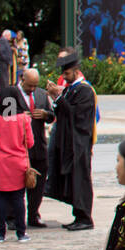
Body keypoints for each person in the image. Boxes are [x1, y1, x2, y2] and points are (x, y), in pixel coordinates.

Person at [44, 51, 96, 231]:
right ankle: (78, 215)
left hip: (79, 142)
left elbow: (75, 115)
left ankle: (85, 217)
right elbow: (62, 112)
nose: (64, 77)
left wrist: (57, 97)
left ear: (75, 71)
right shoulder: (70, 89)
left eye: (66, 74)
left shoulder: (85, 91)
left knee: (81, 179)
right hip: (69, 142)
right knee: (73, 179)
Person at [1, 69, 55, 228]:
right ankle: (12, 217)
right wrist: (19, 115)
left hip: (38, 145)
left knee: (38, 180)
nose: (32, 89)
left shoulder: (40, 94)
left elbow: (52, 115)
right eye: (29, 85)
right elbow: (4, 118)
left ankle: (33, 214)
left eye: (34, 85)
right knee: (16, 181)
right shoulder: (10, 93)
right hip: (18, 146)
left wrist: (45, 114)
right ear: (21, 79)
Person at [0, 102, 33, 243]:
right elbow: (29, 143)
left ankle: (0, 234)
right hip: (19, 162)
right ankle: (21, 233)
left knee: (1, 198)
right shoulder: (24, 119)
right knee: (18, 199)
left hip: (1, 163)